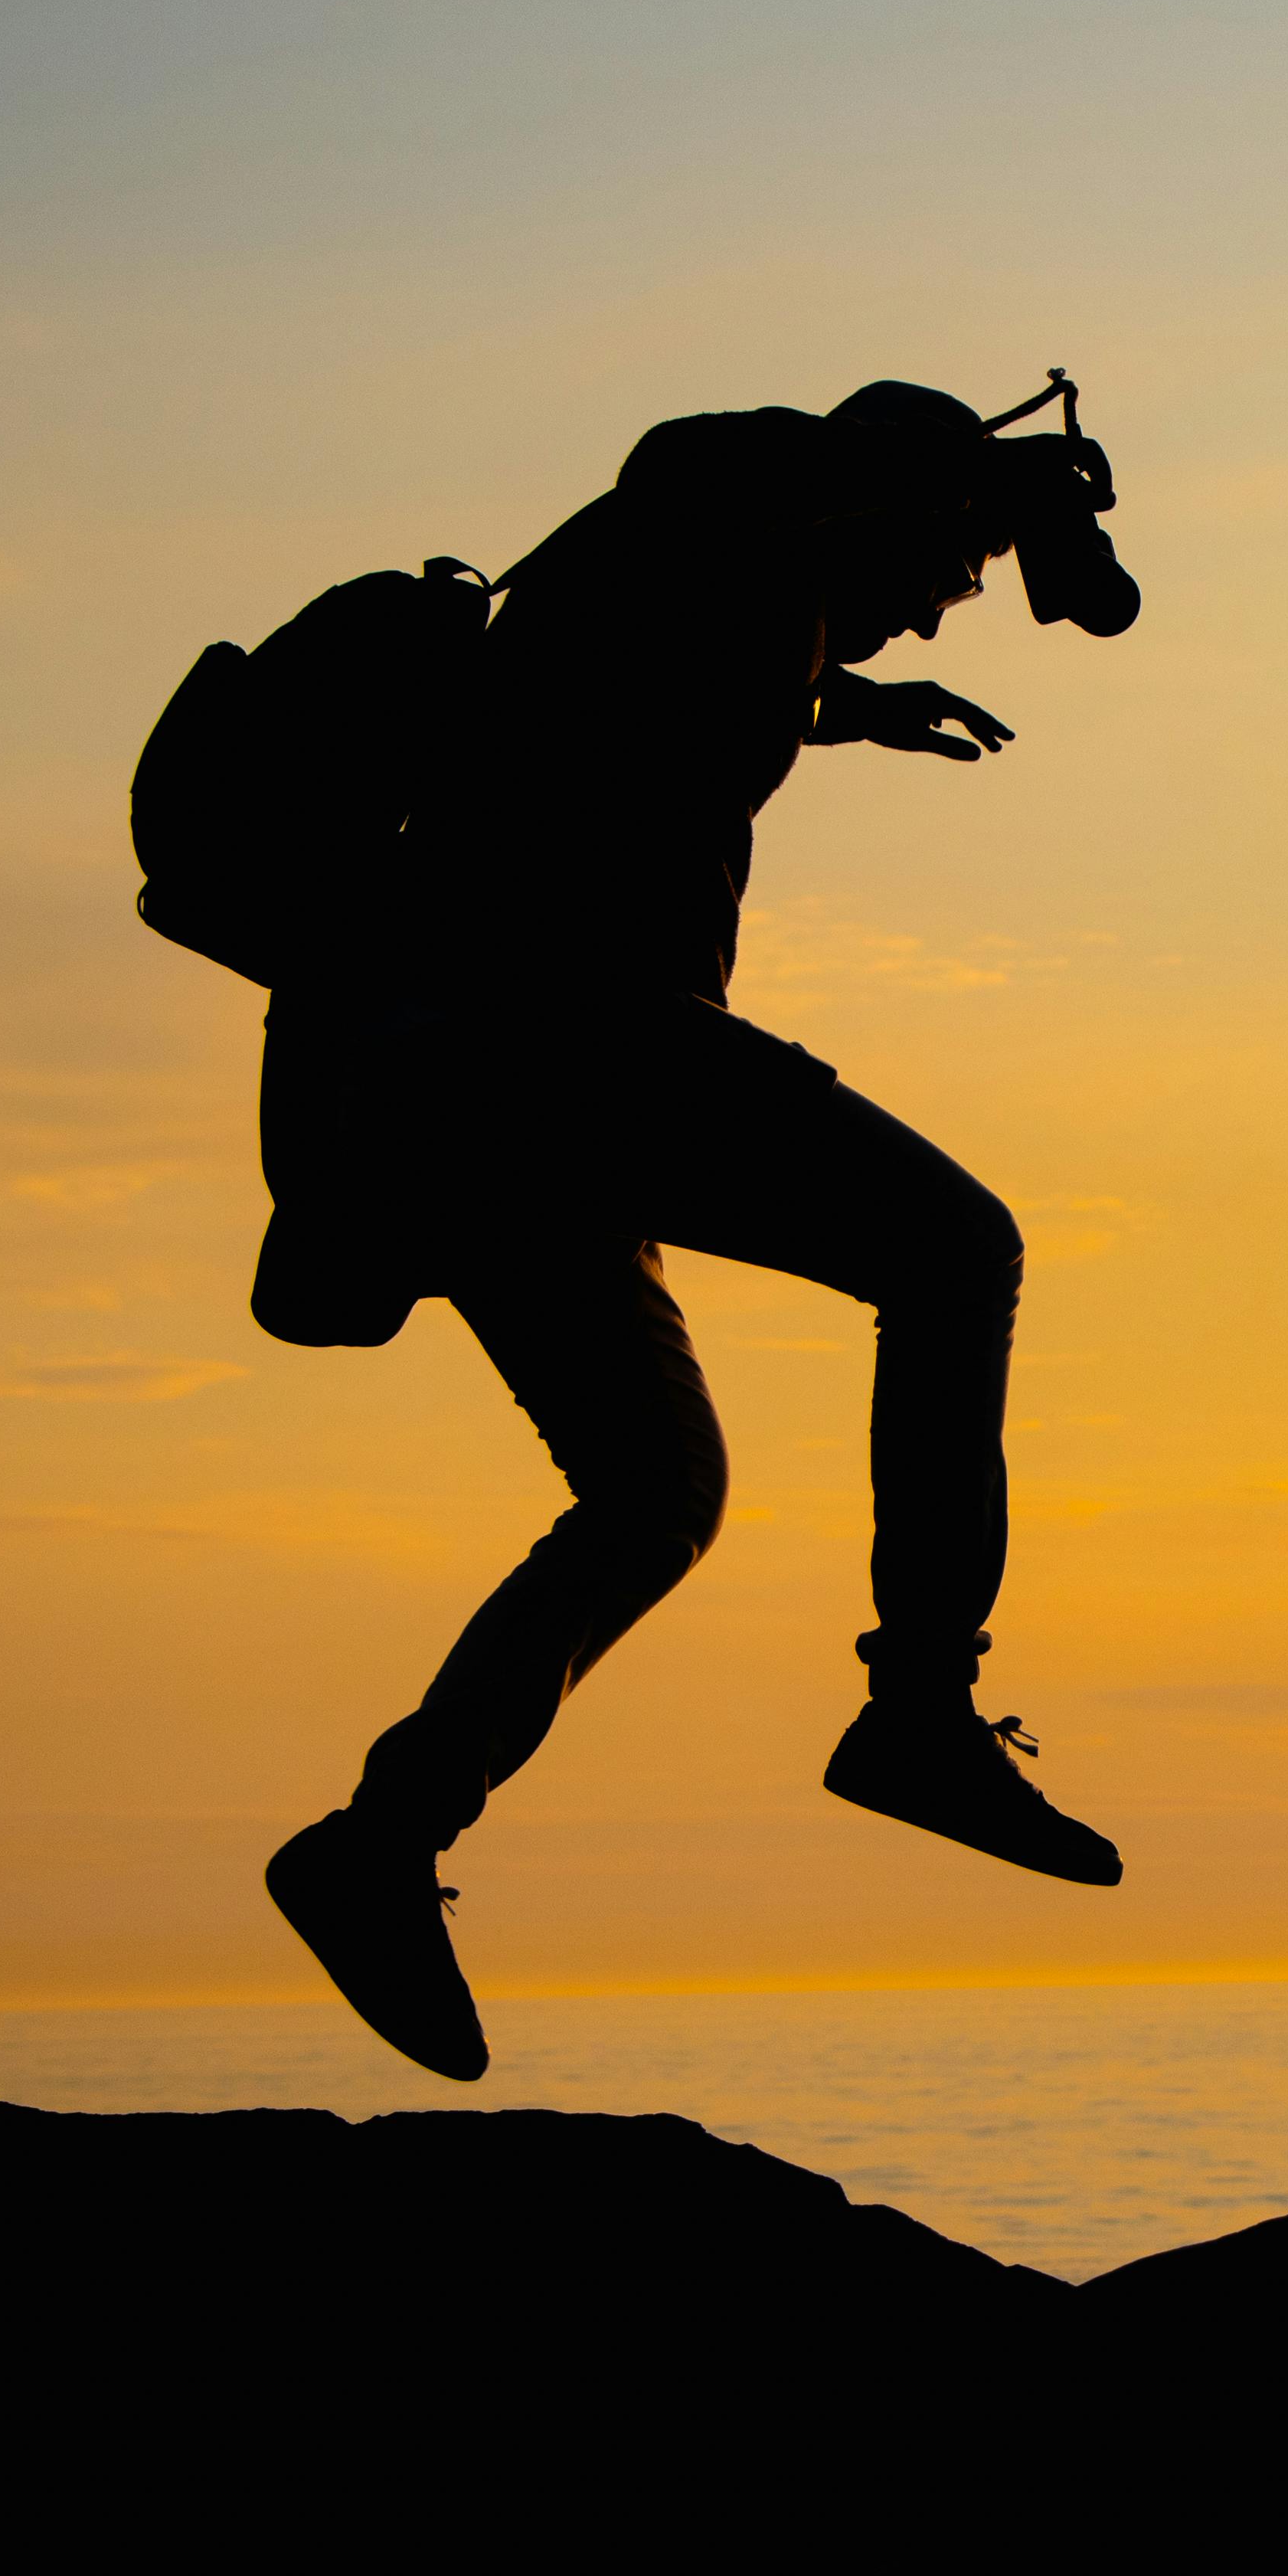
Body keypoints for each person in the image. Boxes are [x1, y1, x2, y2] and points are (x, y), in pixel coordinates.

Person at [258, 377, 1138, 2081]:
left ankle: (379, 1837)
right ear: (885, 494)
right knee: (956, 1249)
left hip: (467, 1104)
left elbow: (670, 669)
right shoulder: (718, 514)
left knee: (657, 1497)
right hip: (560, 1044)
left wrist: (860, 704)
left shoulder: (734, 606)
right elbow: (711, 508)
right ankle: (922, 1713)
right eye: (944, 567)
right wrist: (972, 483)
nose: (940, 598)